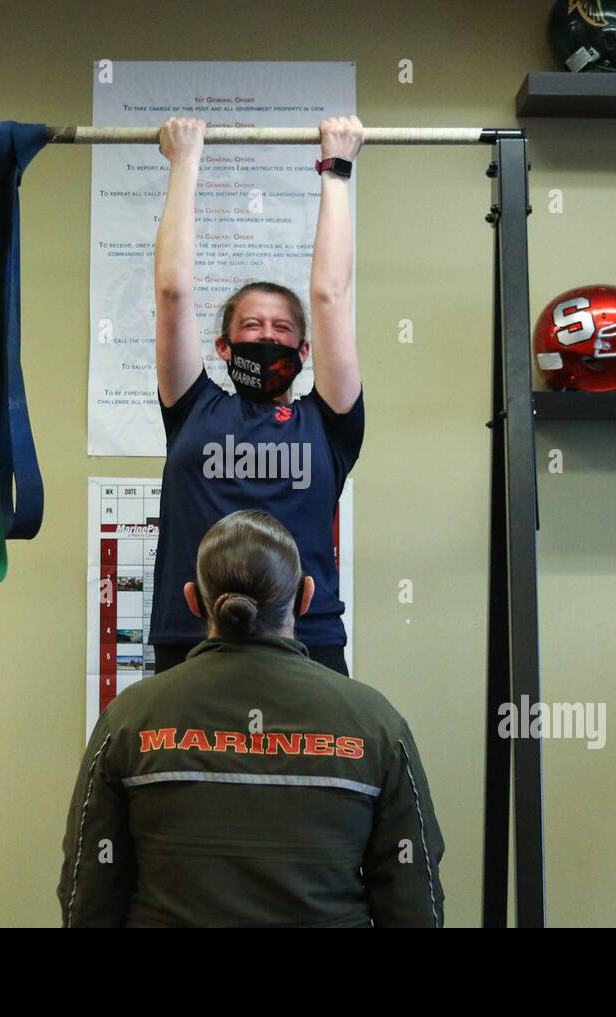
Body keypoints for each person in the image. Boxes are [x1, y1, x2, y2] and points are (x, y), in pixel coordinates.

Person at [58, 510, 443, 928]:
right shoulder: (377, 723)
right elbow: (413, 898)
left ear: (192, 600)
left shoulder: (129, 719)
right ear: (306, 596)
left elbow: (88, 891)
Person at [150, 116, 365, 677]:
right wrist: (185, 163)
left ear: (306, 349)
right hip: (192, 632)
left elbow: (331, 294)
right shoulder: (192, 407)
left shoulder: (330, 421)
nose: (268, 336)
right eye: (252, 326)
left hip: (307, 638)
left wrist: (336, 171)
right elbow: (174, 292)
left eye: (282, 328)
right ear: (222, 346)